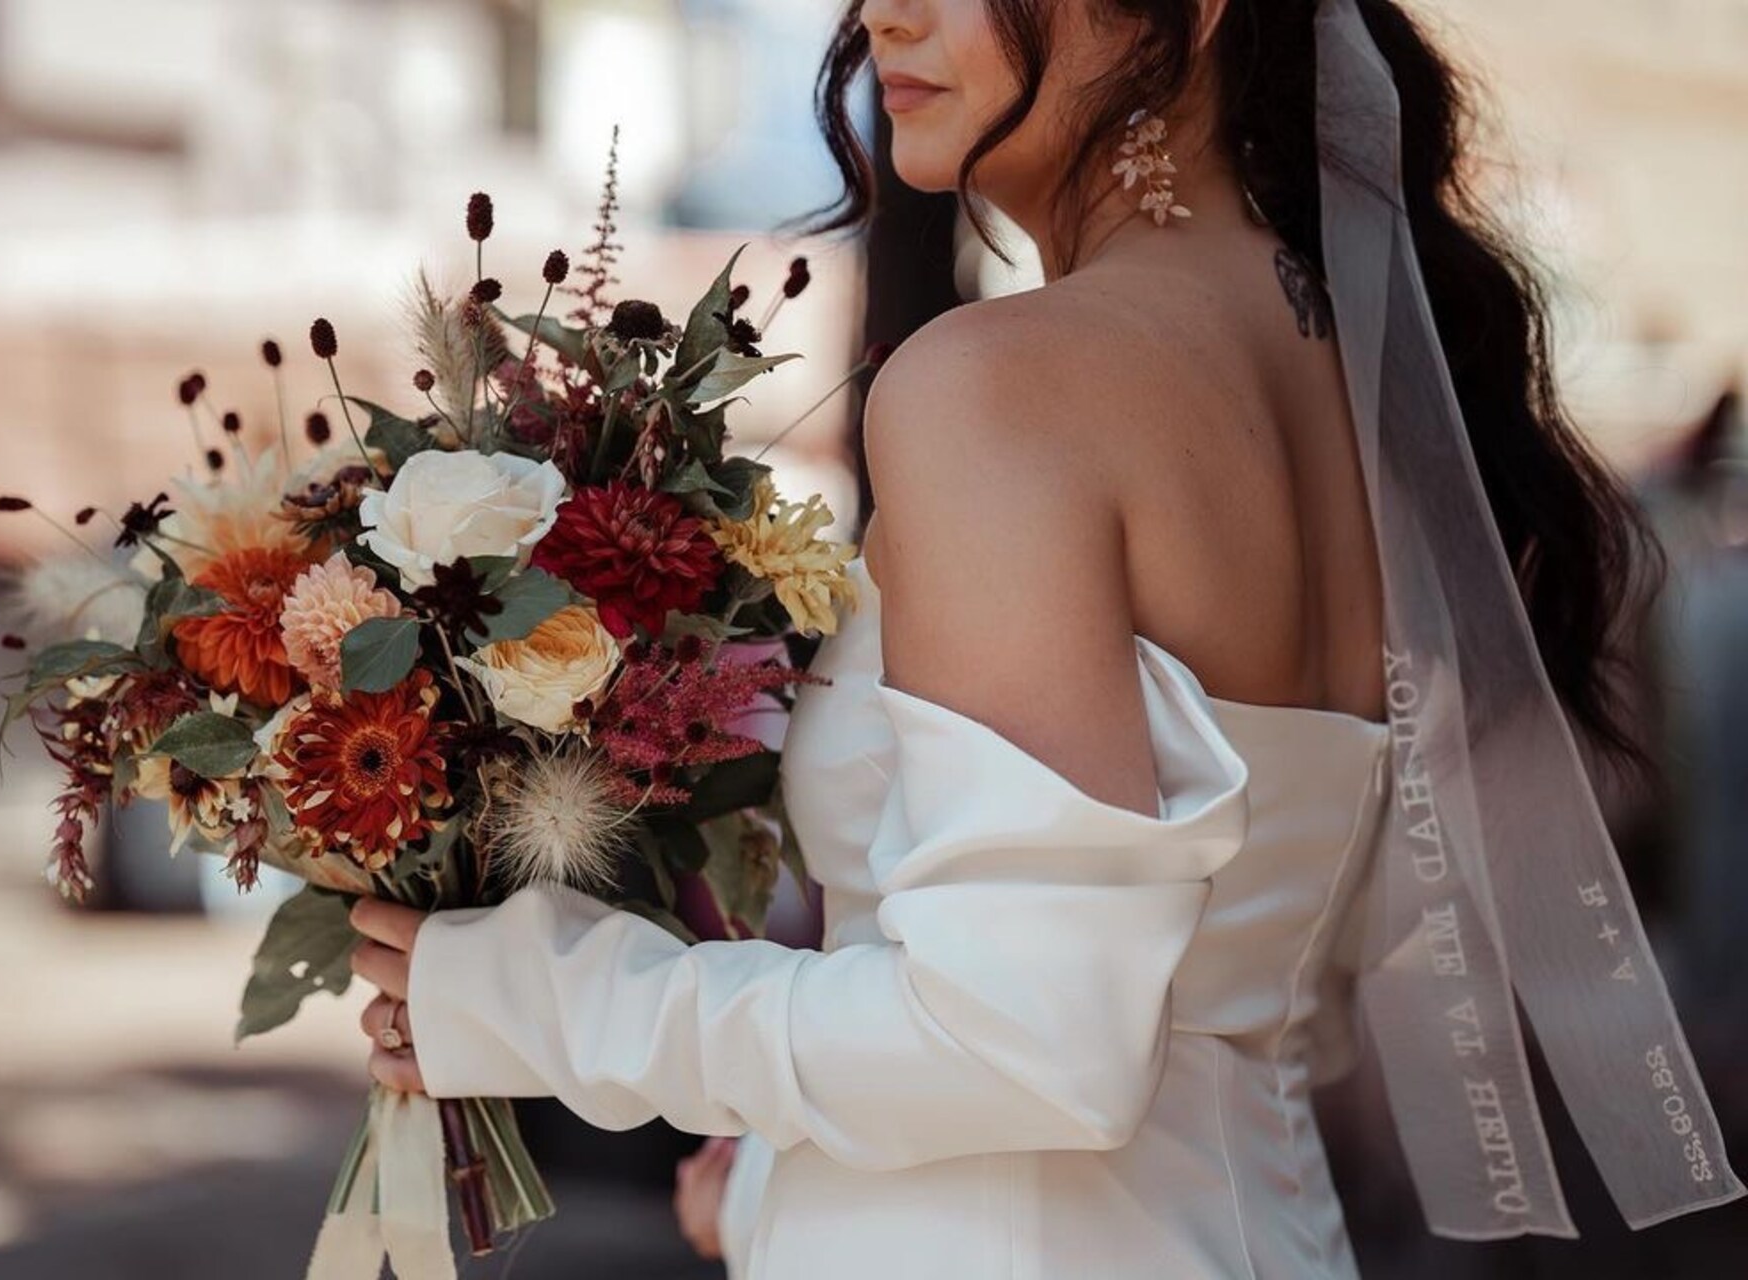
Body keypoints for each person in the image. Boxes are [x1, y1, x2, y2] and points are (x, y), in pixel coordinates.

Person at [345, 0, 1741, 1274]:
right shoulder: (1362, 398)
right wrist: (783, 1175)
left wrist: (542, 993)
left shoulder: (998, 386)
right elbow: (1246, 1009)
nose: (886, 12)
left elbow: (1024, 1050)